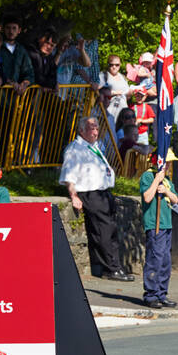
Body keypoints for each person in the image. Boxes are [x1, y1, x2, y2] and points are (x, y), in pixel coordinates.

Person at [60, 116, 133, 281]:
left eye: (97, 128)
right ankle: (112, 268)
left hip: (103, 193)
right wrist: (74, 196)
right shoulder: (75, 149)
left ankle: (102, 267)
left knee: (109, 230)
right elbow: (69, 175)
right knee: (104, 231)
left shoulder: (94, 146)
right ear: (81, 130)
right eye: (91, 128)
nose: (95, 131)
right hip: (90, 194)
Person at [139, 150, 178, 309]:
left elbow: (176, 200)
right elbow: (147, 197)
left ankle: (162, 293)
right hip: (154, 224)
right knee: (154, 259)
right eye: (167, 162)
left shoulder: (168, 180)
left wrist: (166, 190)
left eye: (170, 162)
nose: (169, 165)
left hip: (166, 224)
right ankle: (151, 294)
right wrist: (156, 181)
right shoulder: (148, 176)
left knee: (165, 261)